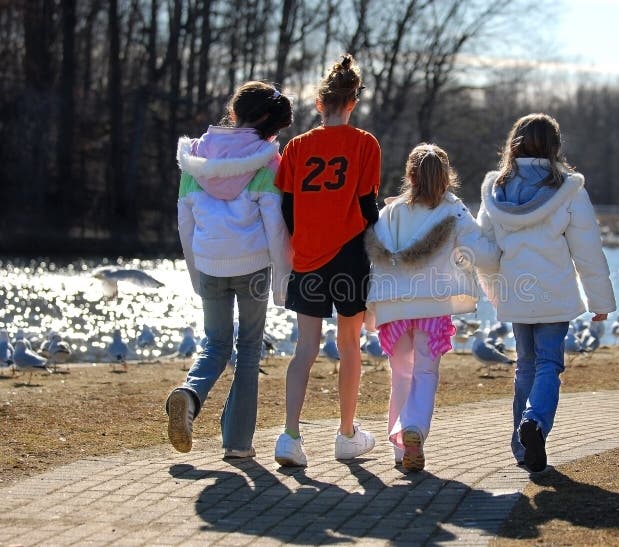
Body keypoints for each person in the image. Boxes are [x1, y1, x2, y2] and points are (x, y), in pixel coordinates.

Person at [477, 113, 616, 472]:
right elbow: (587, 250)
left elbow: (485, 250)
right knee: (548, 365)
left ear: (514, 144)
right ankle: (534, 422)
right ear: (555, 146)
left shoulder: (497, 191)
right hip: (554, 295)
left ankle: (523, 451)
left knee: (525, 365)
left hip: (516, 295)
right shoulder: (569, 190)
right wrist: (600, 300)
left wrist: (496, 288)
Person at [166, 81, 293, 459]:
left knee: (215, 344)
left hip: (208, 264)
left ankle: (189, 395)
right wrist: (282, 281)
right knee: (249, 350)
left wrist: (195, 272)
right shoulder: (268, 162)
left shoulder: (195, 158)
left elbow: (184, 225)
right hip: (252, 266)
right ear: (268, 124)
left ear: (233, 111)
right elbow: (274, 224)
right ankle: (238, 444)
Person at [273, 54, 380, 466]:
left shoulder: (297, 146)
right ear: (353, 103)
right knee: (349, 344)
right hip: (350, 254)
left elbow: (287, 208)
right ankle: (346, 435)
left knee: (305, 348)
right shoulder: (365, 143)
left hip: (308, 257)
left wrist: (304, 241)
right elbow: (367, 204)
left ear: (320, 103)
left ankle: (289, 437)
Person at [365, 143, 499, 471]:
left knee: (400, 375)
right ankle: (412, 430)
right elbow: (485, 255)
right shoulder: (453, 212)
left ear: (410, 176)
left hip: (394, 308)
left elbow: (374, 256)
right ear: (446, 177)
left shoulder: (390, 213)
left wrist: (371, 306)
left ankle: (400, 451)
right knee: (424, 373)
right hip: (431, 308)